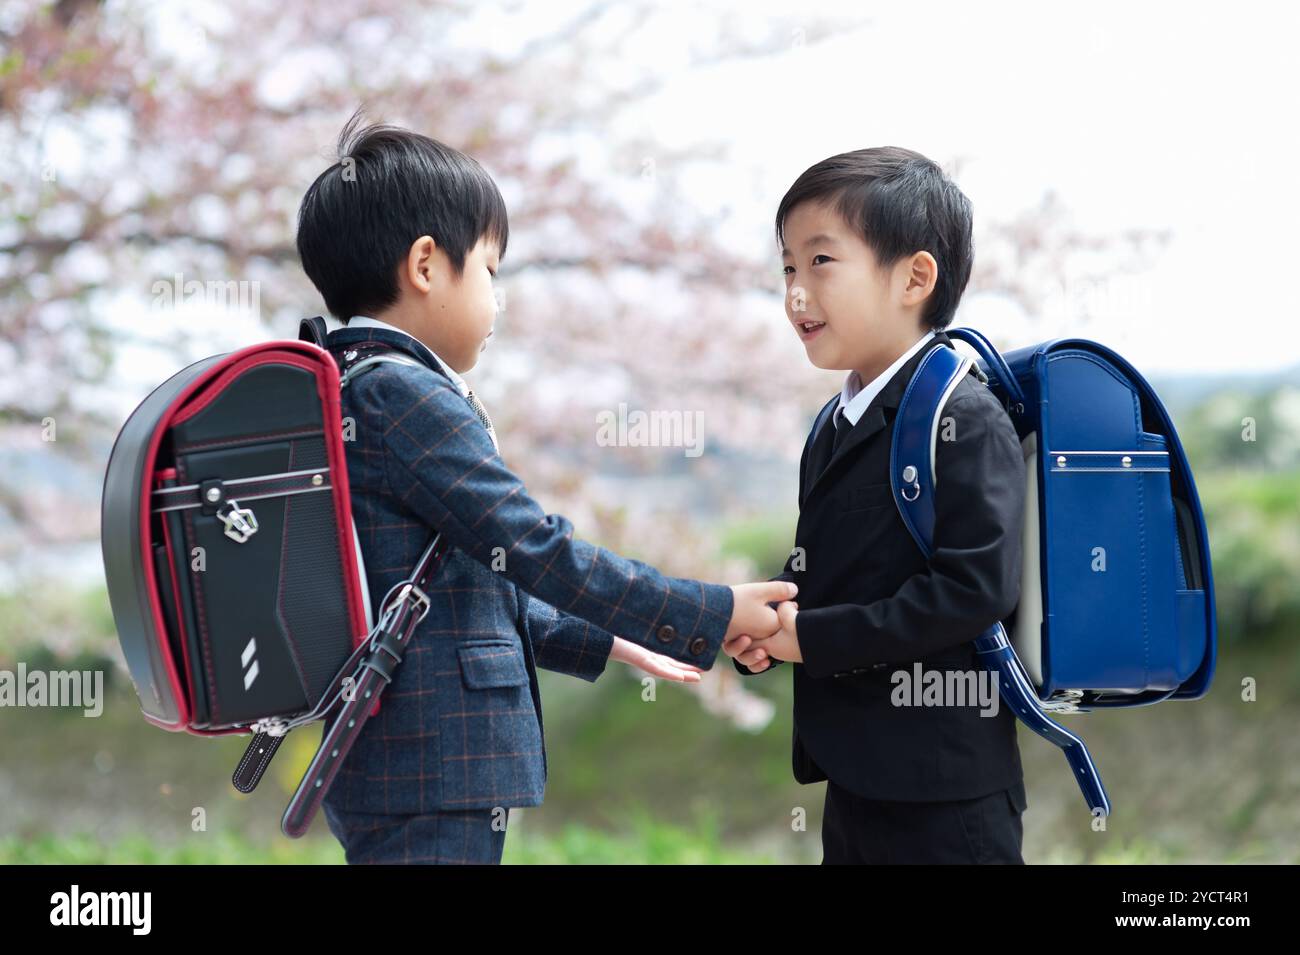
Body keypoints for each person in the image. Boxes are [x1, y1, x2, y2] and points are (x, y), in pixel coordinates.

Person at [295, 110, 795, 864]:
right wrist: (708, 607)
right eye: (491, 271)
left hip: (407, 762)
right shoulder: (403, 395)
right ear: (427, 265)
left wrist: (619, 638)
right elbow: (532, 545)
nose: (497, 300)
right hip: (435, 766)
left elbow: (467, 582)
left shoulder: (353, 386)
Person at [726, 147, 1029, 864]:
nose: (796, 293)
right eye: (788, 268)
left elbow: (974, 590)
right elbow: (833, 566)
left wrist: (813, 638)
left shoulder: (963, 415)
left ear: (914, 277)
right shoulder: (834, 424)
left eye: (821, 262)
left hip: (945, 794)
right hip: (858, 783)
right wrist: (768, 623)